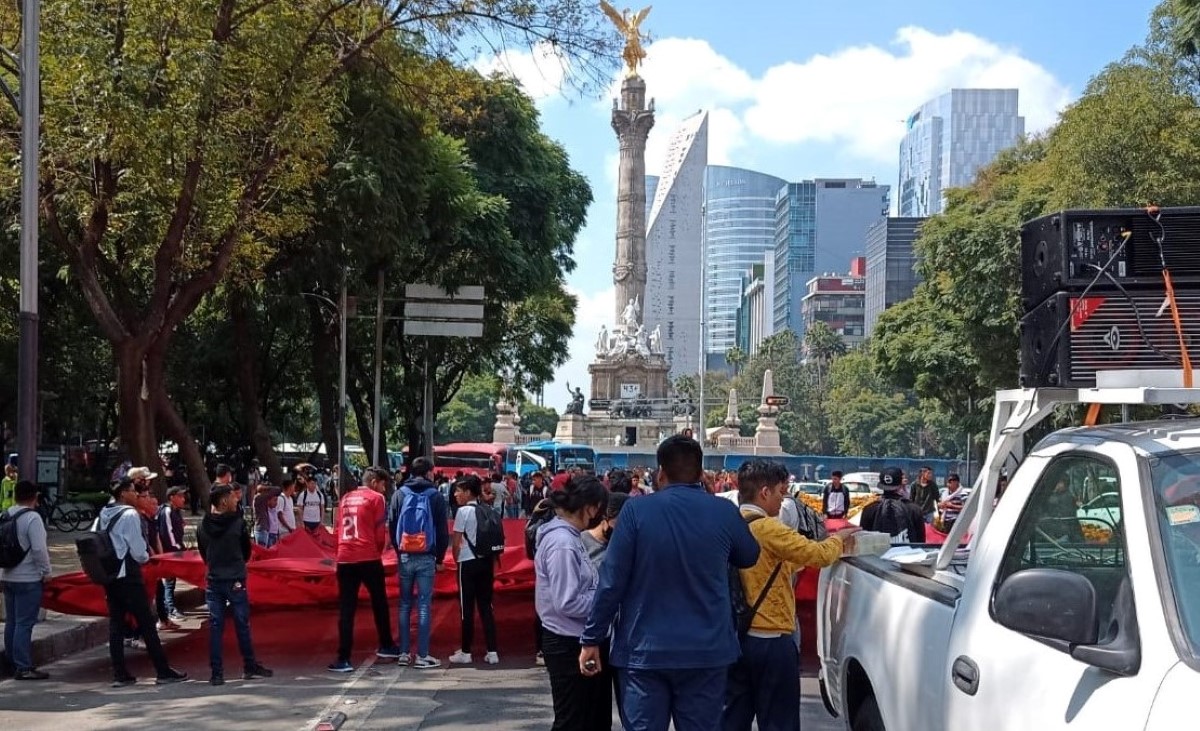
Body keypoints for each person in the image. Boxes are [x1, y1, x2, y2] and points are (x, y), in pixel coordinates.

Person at [579, 435, 760, 731]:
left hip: (644, 650)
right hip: (707, 650)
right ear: (702, 475)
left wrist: (591, 638)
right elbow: (749, 556)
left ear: (660, 473)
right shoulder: (724, 512)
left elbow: (612, 582)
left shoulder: (636, 512)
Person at [723, 461, 858, 731]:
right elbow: (818, 555)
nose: (781, 499)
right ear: (764, 492)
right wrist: (840, 539)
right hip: (771, 640)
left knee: (733, 719)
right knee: (779, 721)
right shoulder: (769, 529)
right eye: (778, 493)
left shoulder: (729, 525)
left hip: (736, 639)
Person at [536, 474, 611, 730]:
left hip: (576, 636)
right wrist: (606, 601)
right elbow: (567, 602)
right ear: (590, 508)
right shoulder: (563, 544)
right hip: (568, 641)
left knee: (589, 716)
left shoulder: (569, 537)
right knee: (574, 719)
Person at [98, 478, 188, 686]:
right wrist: (147, 558)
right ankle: (162, 671)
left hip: (110, 575)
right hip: (129, 574)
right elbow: (139, 552)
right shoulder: (130, 515)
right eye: (132, 491)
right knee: (147, 623)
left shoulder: (104, 513)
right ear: (122, 494)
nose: (136, 495)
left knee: (116, 624)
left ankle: (120, 674)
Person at [197, 482, 273, 686]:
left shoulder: (203, 524)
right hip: (235, 579)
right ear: (223, 501)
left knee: (215, 626)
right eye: (232, 496)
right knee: (242, 624)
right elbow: (246, 551)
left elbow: (204, 553)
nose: (236, 499)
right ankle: (249, 666)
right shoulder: (238, 524)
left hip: (213, 580)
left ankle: (217, 673)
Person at [328, 467, 400, 672]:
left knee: (347, 609)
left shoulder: (345, 498)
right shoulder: (376, 498)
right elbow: (379, 534)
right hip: (367, 556)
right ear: (375, 482)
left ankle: (343, 658)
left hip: (345, 557)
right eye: (384, 484)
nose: (385, 489)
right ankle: (386, 644)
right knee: (379, 602)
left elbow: (337, 530)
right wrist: (377, 552)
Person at [388, 456, 449, 669]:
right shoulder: (435, 496)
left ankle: (404, 653)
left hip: (405, 555)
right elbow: (442, 530)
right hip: (426, 556)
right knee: (424, 605)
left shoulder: (399, 494)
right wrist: (439, 557)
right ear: (429, 472)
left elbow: (392, 525)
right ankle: (422, 655)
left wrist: (399, 551)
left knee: (404, 604)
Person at [2, 480, 51, 679]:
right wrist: (46, 572)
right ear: (35, 497)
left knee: (12, 622)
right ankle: (23, 667)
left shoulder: (4, 515)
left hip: (7, 576)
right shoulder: (33, 518)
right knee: (24, 623)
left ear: (15, 495)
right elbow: (39, 549)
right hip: (28, 578)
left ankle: (11, 663)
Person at [449, 475, 500, 665]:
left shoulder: (463, 512)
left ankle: (466, 651)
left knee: (467, 609)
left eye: (459, 491)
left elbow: (456, 541)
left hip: (467, 562)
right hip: (486, 562)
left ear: (468, 492)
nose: (456, 494)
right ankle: (492, 651)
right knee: (487, 607)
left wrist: (456, 558)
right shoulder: (487, 509)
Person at [860, 467, 926, 544]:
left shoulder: (869, 509)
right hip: (906, 554)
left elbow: (863, 540)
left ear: (881, 485)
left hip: (877, 555)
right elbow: (920, 542)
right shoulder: (914, 509)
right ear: (901, 484)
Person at [156, 486, 189, 624]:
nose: (183, 499)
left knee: (172, 581)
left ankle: (170, 608)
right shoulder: (167, 511)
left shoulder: (176, 512)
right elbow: (167, 533)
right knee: (169, 582)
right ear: (172, 498)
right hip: (170, 552)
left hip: (176, 550)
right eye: (180, 496)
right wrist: (177, 548)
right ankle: (170, 609)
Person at [296, 466, 326, 530]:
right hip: (306, 521)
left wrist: (322, 521)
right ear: (307, 484)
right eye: (312, 484)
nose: (313, 485)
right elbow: (299, 509)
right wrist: (302, 522)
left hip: (317, 521)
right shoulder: (303, 495)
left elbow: (322, 508)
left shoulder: (320, 495)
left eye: (315, 484)